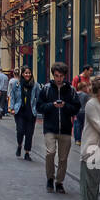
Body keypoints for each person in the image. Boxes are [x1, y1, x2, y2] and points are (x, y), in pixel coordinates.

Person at [37, 62, 78, 193]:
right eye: (56, 76)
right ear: (53, 75)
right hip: (50, 127)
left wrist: (65, 106)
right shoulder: (47, 89)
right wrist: (52, 105)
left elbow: (76, 108)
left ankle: (59, 182)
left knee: (63, 158)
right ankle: (50, 178)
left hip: (65, 129)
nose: (59, 79)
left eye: (61, 76)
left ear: (65, 76)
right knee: (50, 153)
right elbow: (39, 107)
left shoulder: (71, 90)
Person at [9, 65, 39, 160]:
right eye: (26, 73)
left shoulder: (35, 85)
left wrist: (38, 108)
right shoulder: (17, 85)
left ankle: (27, 152)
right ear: (22, 74)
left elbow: (38, 98)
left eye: (29, 73)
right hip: (20, 111)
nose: (28, 74)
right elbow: (12, 96)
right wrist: (12, 108)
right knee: (20, 130)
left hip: (31, 112)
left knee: (29, 133)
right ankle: (19, 145)